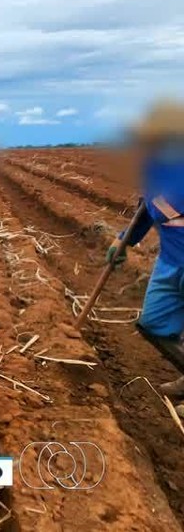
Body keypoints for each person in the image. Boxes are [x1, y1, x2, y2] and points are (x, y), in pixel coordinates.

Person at [108, 101, 184, 396]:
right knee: (153, 324)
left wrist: (155, 199)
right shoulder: (154, 167)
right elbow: (146, 209)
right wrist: (124, 239)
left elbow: (164, 205)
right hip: (171, 261)